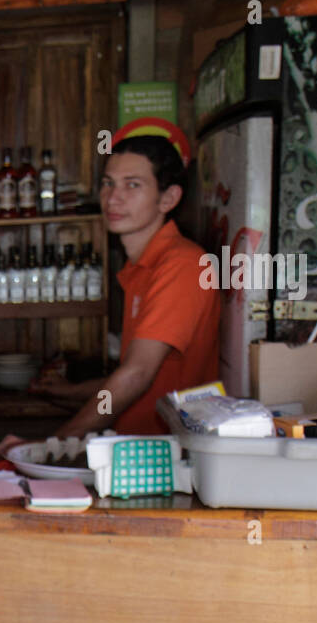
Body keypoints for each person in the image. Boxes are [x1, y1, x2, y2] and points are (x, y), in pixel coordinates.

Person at [25, 136, 219, 439]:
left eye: (132, 185)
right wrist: (72, 392)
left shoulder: (183, 264)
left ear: (168, 199)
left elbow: (137, 374)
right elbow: (136, 374)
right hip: (134, 446)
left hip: (165, 455)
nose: (112, 198)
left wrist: (56, 445)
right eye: (107, 183)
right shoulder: (141, 266)